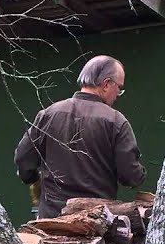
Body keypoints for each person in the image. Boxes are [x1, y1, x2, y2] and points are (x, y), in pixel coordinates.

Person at [14, 55, 146, 218]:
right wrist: (139, 174)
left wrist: (33, 179)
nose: (118, 94)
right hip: (95, 221)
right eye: (119, 88)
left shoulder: (49, 114)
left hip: (52, 218)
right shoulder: (116, 121)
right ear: (106, 84)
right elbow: (130, 175)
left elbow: (23, 159)